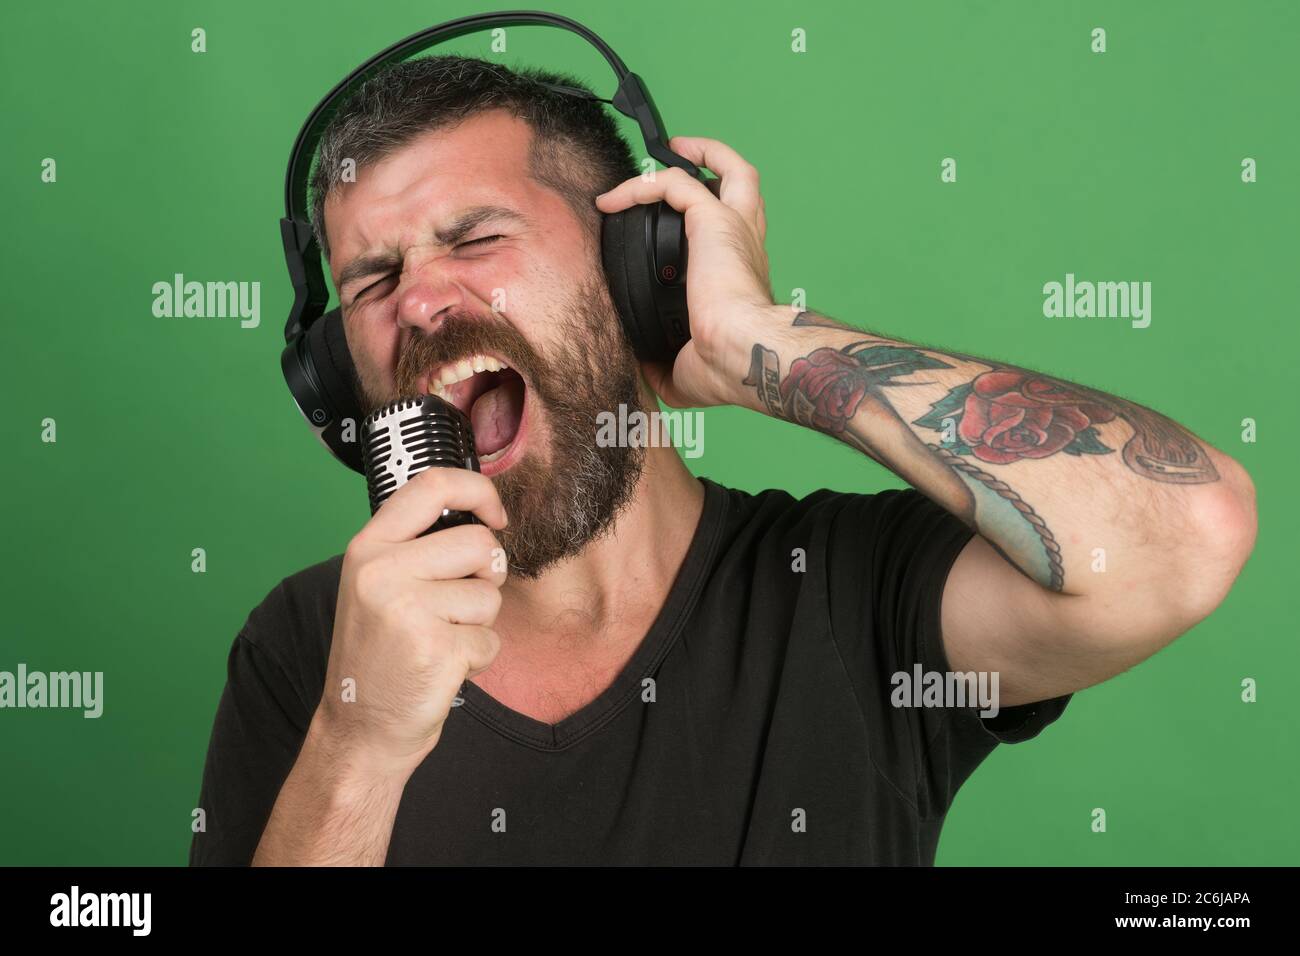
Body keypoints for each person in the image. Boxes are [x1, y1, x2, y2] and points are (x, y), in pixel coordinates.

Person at [189, 56, 1257, 866]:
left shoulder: (852, 595)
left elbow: (1187, 532)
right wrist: (360, 739)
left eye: (474, 237)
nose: (418, 298)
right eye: (372, 280)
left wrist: (761, 342)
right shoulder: (312, 644)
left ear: (636, 273)